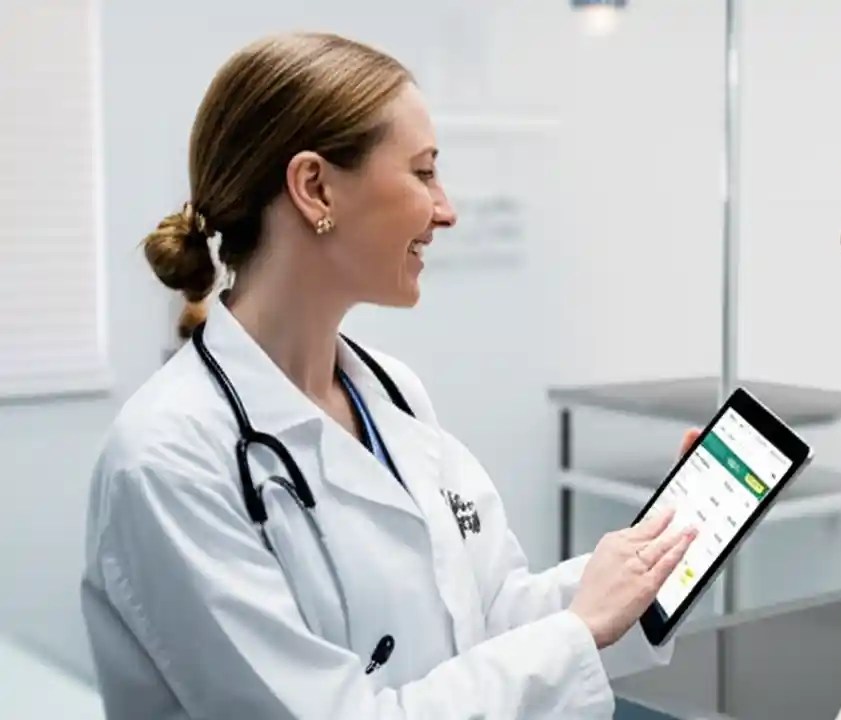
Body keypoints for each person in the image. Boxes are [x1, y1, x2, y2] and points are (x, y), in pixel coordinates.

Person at [80, 31, 698, 719]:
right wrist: (577, 631)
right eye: (423, 172)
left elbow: (490, 617)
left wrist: (664, 550)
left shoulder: (391, 392)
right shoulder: (167, 460)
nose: (446, 209)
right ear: (315, 188)